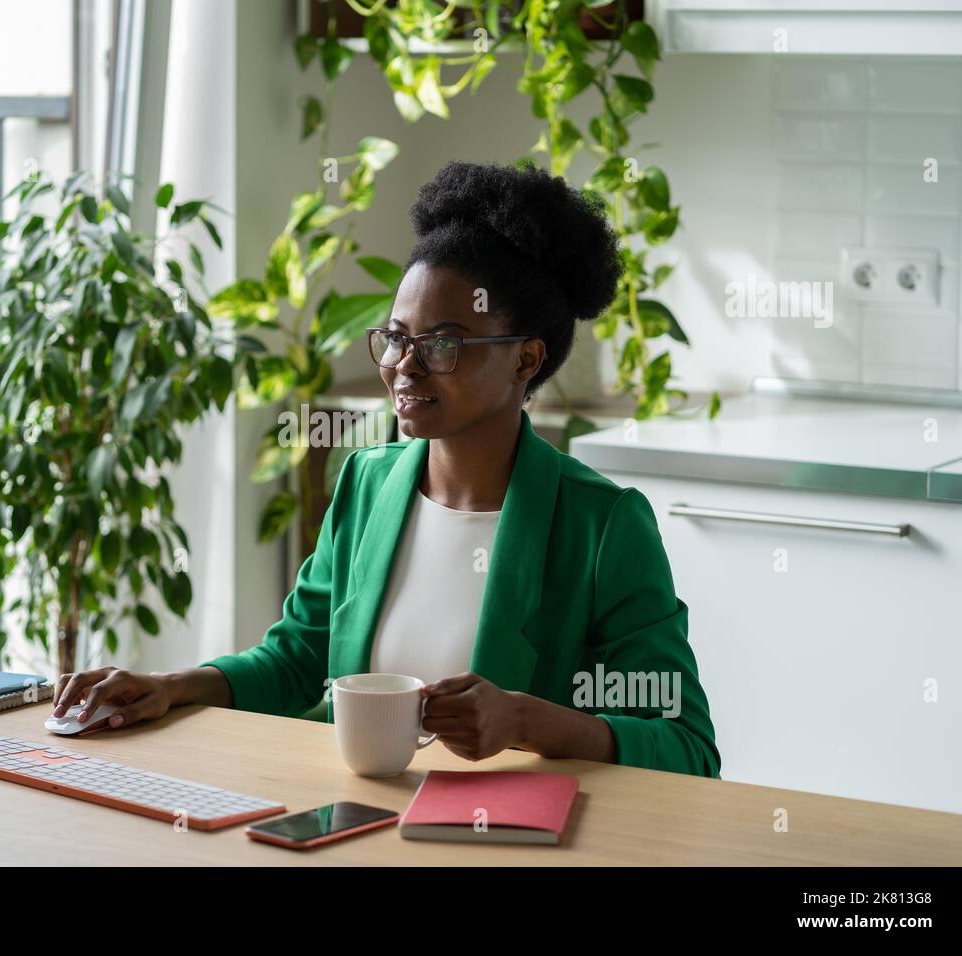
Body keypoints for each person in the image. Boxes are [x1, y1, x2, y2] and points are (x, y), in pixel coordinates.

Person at [53, 161, 720, 777]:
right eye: (398, 336)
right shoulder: (368, 483)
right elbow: (297, 660)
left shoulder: (601, 525)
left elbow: (686, 748)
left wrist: (525, 720)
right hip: (360, 825)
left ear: (525, 360)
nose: (405, 363)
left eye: (444, 343)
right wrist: (172, 687)